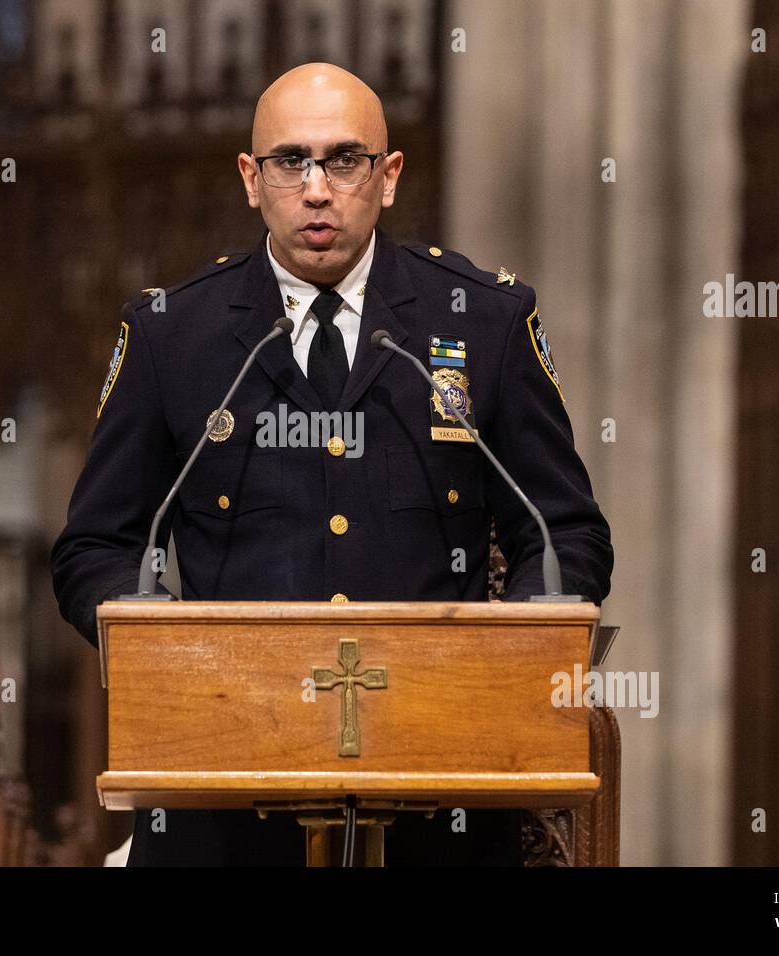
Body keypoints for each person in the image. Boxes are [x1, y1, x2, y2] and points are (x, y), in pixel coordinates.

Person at [51, 63, 614, 866]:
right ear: (251, 179)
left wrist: (507, 656)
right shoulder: (174, 336)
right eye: (290, 161)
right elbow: (93, 548)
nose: (317, 189)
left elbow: (565, 533)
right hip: (223, 802)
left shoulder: (483, 321)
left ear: (388, 178)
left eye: (345, 160)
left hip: (441, 809)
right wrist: (167, 653)